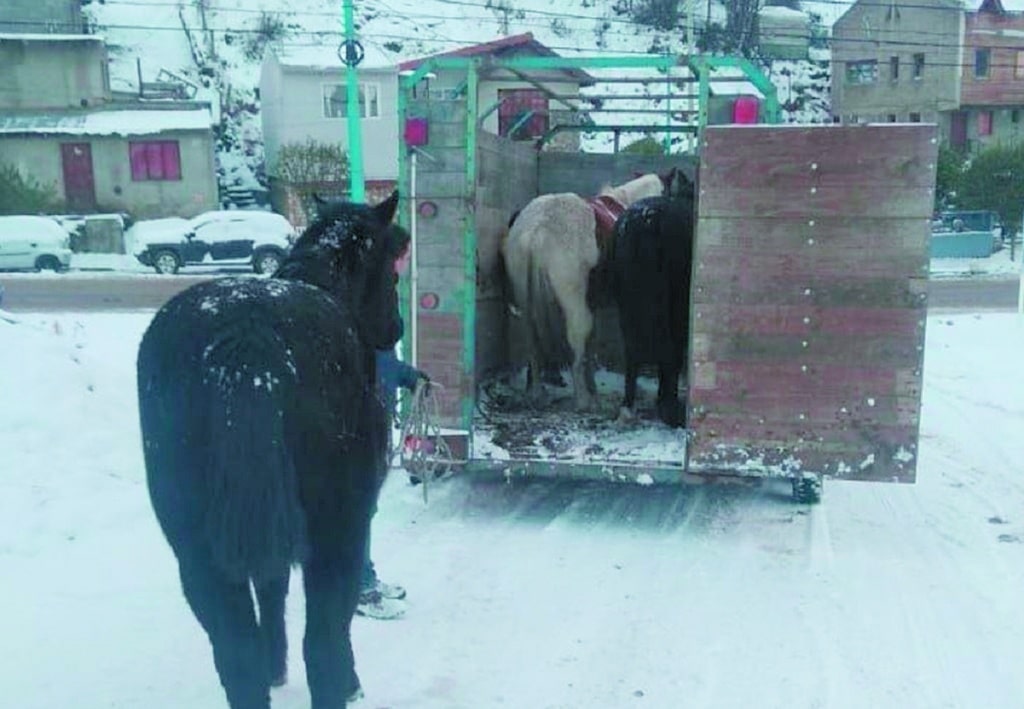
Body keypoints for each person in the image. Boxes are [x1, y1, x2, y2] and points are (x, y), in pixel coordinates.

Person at [357, 239, 430, 621]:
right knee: (358, 505)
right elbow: (375, 359)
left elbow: (382, 359)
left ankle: (362, 576)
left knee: (362, 505)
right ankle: (358, 587)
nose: (409, 262)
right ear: (396, 258)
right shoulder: (374, 298)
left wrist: (408, 376)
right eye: (407, 256)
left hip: (372, 408)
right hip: (363, 415)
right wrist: (401, 377)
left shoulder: (377, 291)